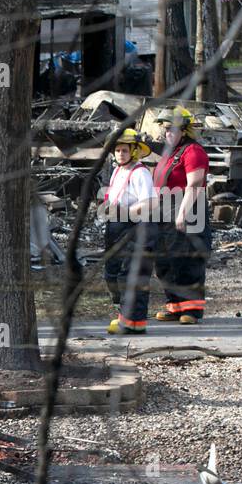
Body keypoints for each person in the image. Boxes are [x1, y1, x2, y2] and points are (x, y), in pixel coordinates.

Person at [151, 107, 211, 324]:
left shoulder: (193, 151)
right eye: (165, 129)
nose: (166, 133)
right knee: (165, 260)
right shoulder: (171, 153)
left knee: (187, 259)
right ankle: (174, 306)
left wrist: (182, 214)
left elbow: (194, 184)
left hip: (187, 207)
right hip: (165, 208)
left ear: (184, 130)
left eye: (171, 129)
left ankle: (192, 310)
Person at [101, 128, 158, 334]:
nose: (120, 154)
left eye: (124, 150)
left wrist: (126, 212)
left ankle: (132, 322)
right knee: (112, 273)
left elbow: (150, 202)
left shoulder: (140, 172)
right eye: (117, 150)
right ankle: (124, 316)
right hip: (117, 226)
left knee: (131, 274)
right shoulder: (117, 170)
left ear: (133, 151)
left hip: (137, 227)